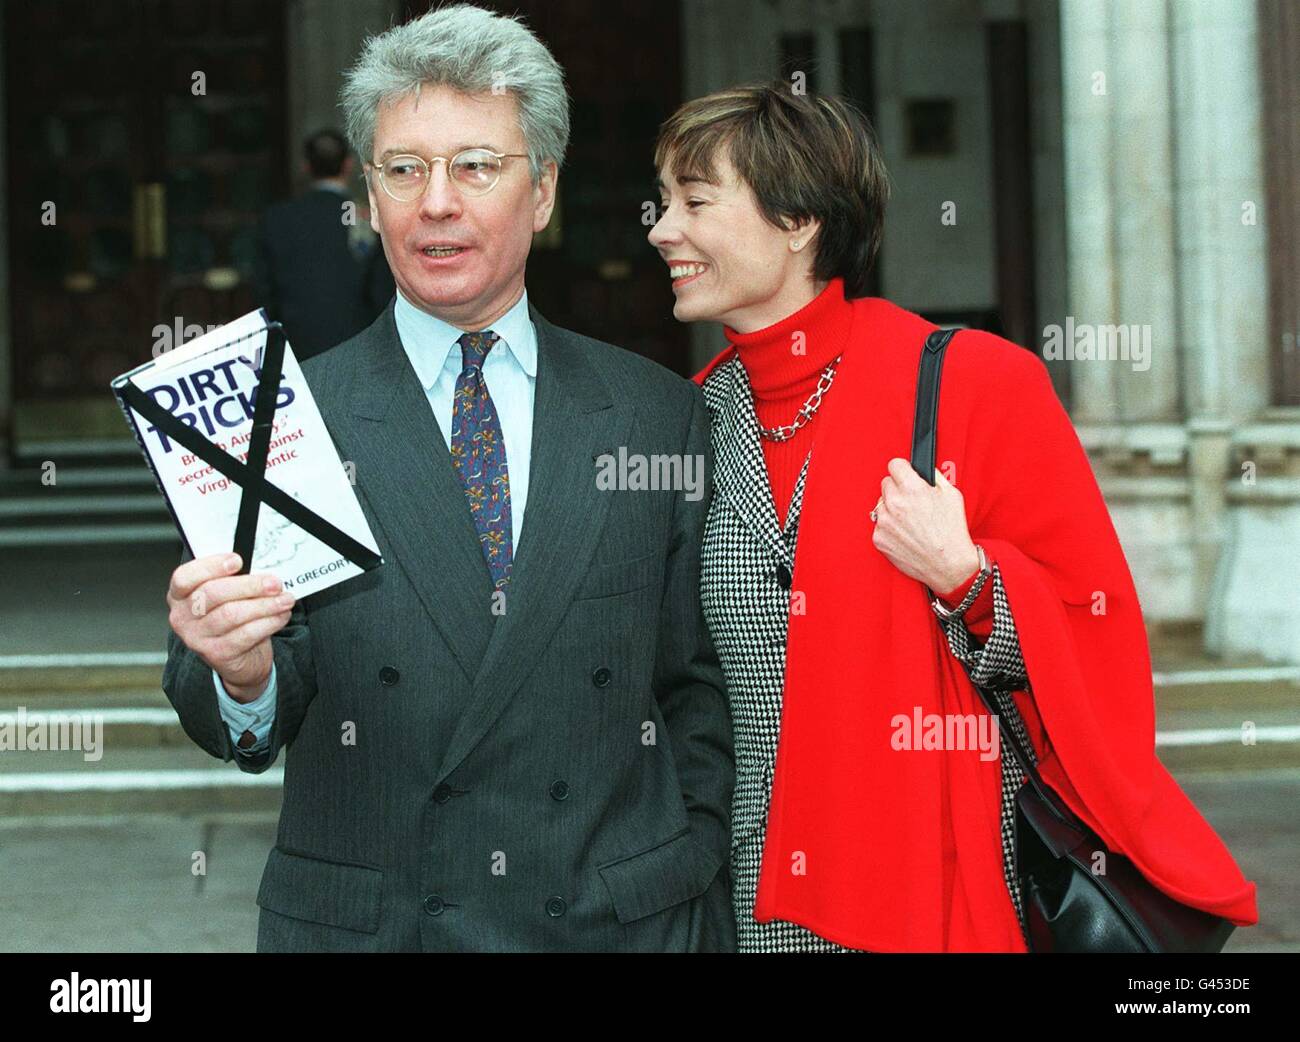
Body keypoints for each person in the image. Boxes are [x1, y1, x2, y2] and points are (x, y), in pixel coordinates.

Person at [162, 3, 734, 953]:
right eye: (404, 169)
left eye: (476, 166)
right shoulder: (276, 421)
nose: (437, 202)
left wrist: (685, 867)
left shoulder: (652, 413)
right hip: (380, 927)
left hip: (616, 926)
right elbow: (240, 710)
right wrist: (241, 668)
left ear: (543, 192)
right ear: (369, 198)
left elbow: (691, 689)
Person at [648, 81, 1259, 952]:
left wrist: (969, 578)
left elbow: (1097, 631)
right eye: (665, 202)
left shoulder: (978, 384)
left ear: (799, 223)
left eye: (694, 203)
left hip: (935, 889)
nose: (662, 230)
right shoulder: (690, 421)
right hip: (747, 901)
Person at [254, 128, 396, 360]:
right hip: (358, 348)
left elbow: (264, 293)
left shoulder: (277, 218)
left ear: (305, 166)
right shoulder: (366, 217)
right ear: (349, 165)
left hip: (295, 350)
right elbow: (382, 290)